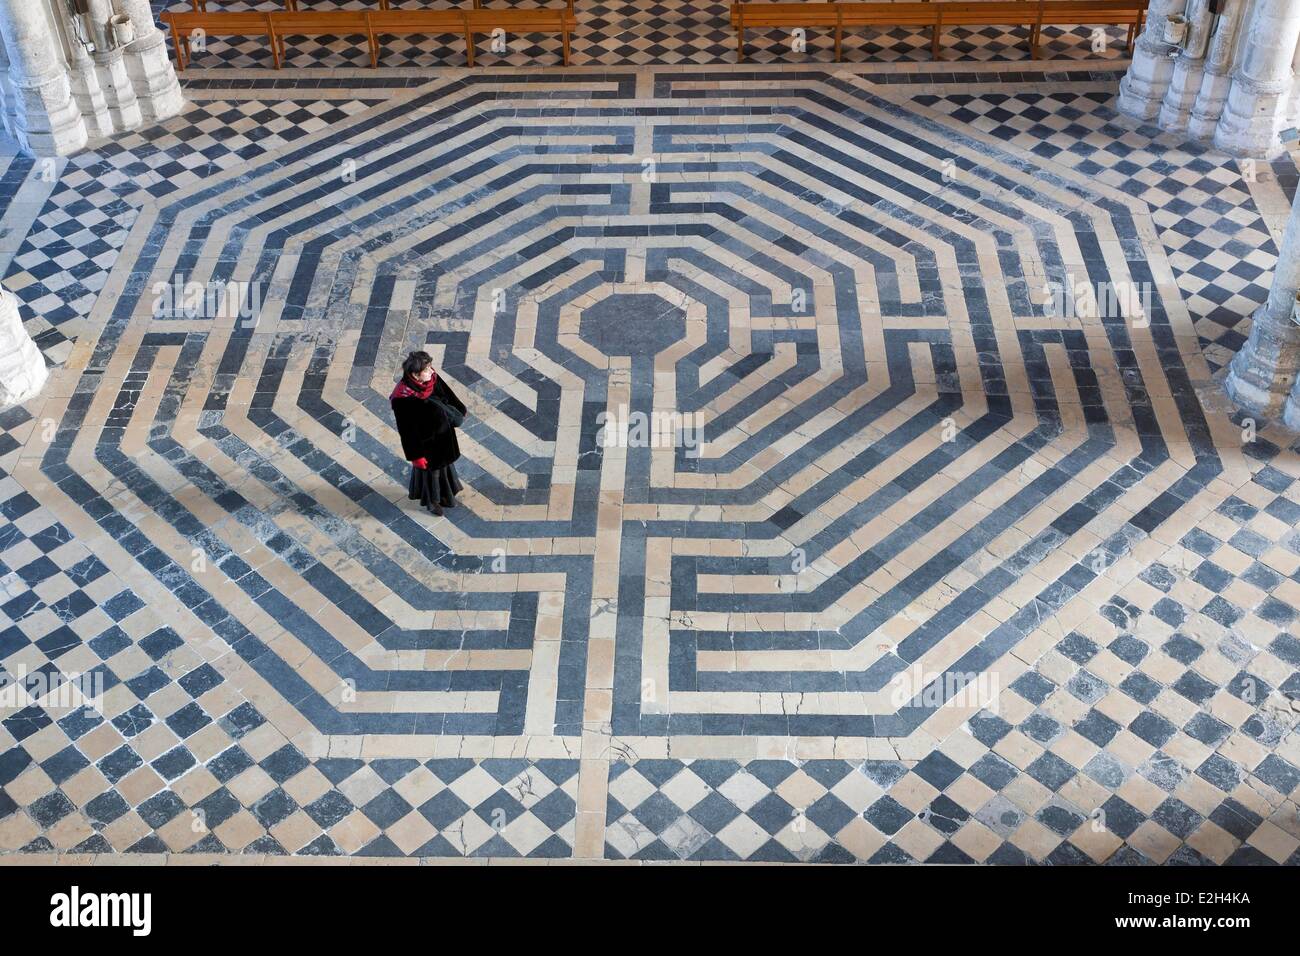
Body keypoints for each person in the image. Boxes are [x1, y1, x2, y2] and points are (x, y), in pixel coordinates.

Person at [390, 351, 467, 515]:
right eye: (427, 370)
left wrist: (459, 409)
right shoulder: (402, 399)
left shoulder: (431, 379)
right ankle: (433, 502)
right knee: (431, 475)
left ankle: (447, 496)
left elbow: (447, 393)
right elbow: (406, 431)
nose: (432, 372)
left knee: (445, 468)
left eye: (430, 367)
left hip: (444, 436)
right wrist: (416, 456)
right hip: (426, 446)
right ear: (415, 375)